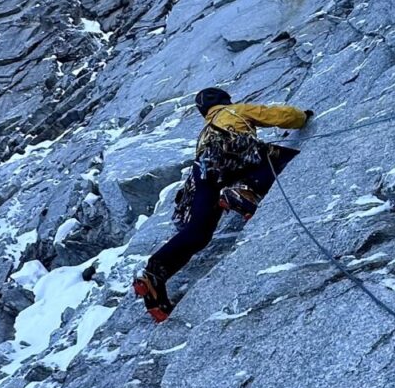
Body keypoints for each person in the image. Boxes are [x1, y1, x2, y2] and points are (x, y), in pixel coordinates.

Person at [132, 88, 312, 322]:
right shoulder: (234, 111)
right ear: (224, 100)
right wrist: (302, 117)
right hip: (234, 154)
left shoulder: (204, 133)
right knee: (279, 156)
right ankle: (243, 189)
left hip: (204, 171)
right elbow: (280, 116)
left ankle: (154, 272)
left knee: (198, 231)